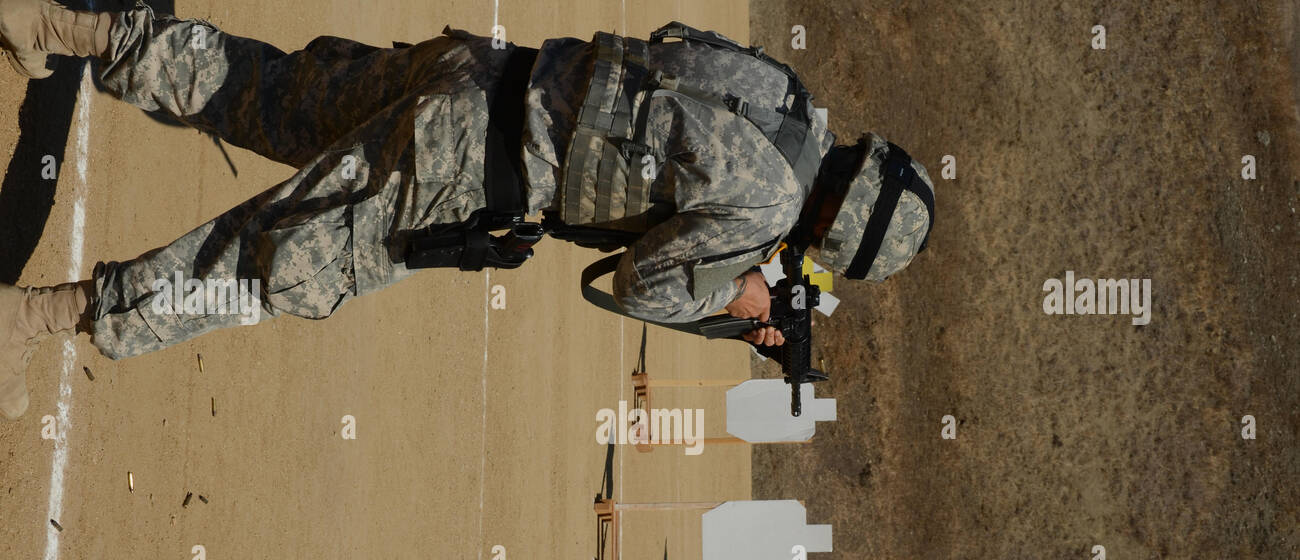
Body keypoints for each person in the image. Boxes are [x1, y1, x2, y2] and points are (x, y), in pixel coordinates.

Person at [0, 0, 933, 421]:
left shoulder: (786, 93)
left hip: (476, 73)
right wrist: (733, 308)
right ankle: (31, 318)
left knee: (268, 90)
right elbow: (628, 285)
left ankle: (53, 23)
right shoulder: (770, 202)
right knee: (261, 271)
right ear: (840, 240)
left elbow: (664, 64)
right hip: (459, 170)